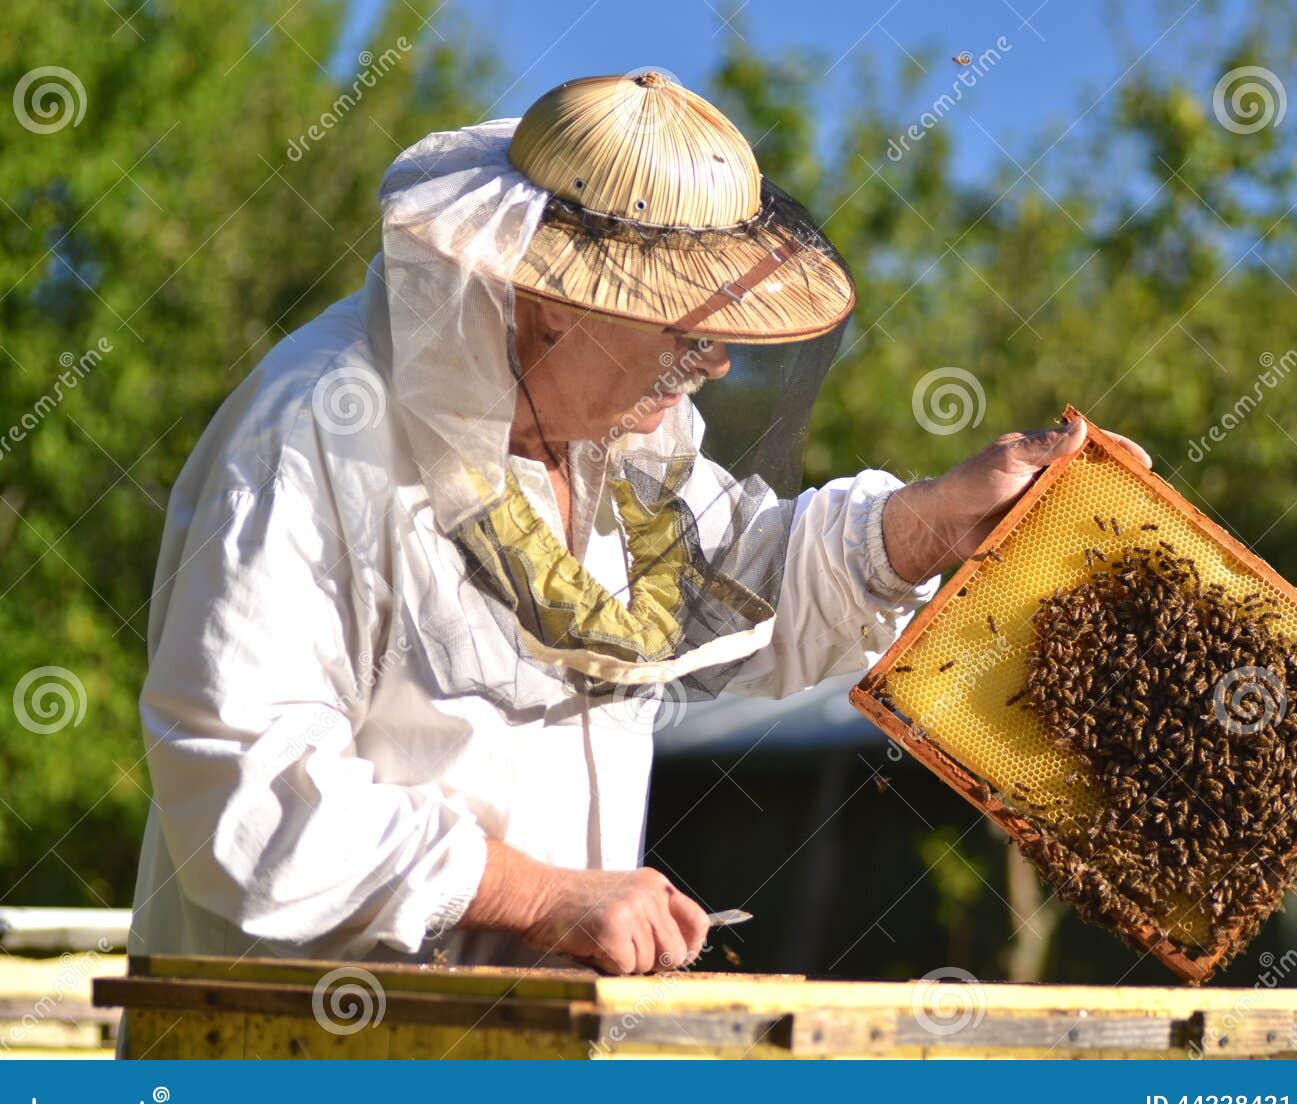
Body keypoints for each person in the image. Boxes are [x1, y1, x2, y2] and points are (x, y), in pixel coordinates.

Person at [129, 72, 1148, 976]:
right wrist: (535, 893)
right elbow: (238, 787)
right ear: (551, 297)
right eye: (682, 319)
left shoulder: (610, 439)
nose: (714, 359)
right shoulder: (320, 425)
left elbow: (730, 588)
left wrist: (932, 525)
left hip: (514, 1061)